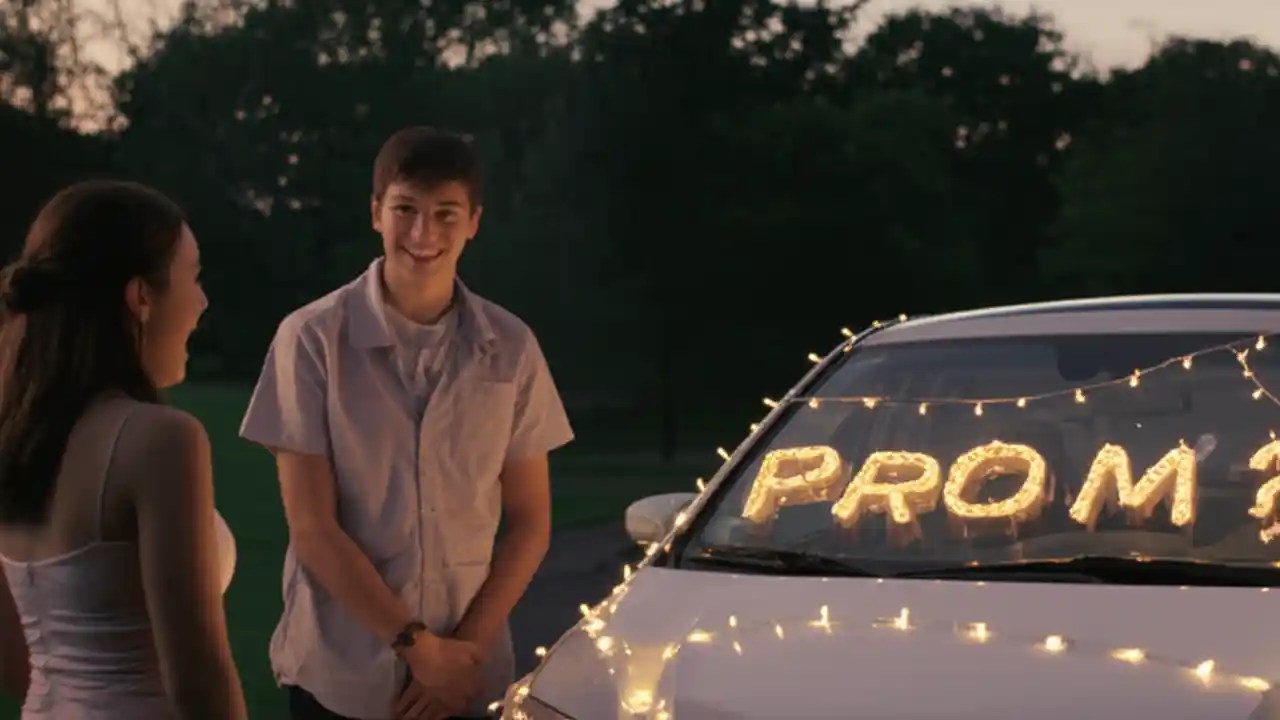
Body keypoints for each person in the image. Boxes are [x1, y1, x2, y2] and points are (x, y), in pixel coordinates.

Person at [240, 126, 574, 720]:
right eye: (405, 210)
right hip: (340, 677)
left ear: (473, 222)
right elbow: (313, 527)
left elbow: (530, 521)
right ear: (376, 213)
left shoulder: (511, 348)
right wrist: (419, 650)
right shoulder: (313, 340)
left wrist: (461, 655)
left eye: (445, 214)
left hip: (466, 681)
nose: (423, 234)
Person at [0, 180, 248, 719]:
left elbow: (17, 662)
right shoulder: (160, 440)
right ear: (141, 297)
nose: (202, 303)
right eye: (193, 277)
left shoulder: (15, 435)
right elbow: (199, 680)